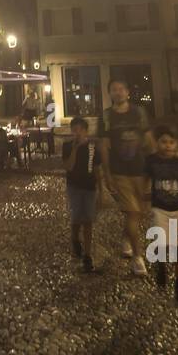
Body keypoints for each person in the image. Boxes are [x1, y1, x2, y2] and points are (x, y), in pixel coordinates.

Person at [97, 79, 153, 275]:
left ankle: (126, 238)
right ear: (110, 94)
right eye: (114, 90)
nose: (118, 93)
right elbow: (103, 145)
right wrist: (107, 174)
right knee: (133, 212)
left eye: (121, 89)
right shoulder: (106, 116)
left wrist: (155, 164)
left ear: (128, 92)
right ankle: (138, 257)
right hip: (119, 170)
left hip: (140, 169)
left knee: (137, 212)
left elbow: (147, 139)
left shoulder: (139, 112)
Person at [145, 124, 178, 305]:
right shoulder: (151, 161)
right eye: (163, 142)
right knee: (162, 243)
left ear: (176, 144)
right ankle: (161, 265)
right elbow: (144, 181)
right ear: (157, 143)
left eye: (171, 142)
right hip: (160, 209)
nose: (167, 146)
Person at [62, 116, 99, 272]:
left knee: (88, 220)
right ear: (71, 131)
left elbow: (96, 168)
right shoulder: (67, 146)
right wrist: (75, 149)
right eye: (75, 130)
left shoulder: (92, 146)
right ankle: (75, 239)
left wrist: (101, 189)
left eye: (81, 130)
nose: (78, 133)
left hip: (89, 186)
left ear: (86, 131)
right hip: (74, 186)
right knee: (77, 217)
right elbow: (68, 167)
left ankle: (88, 254)